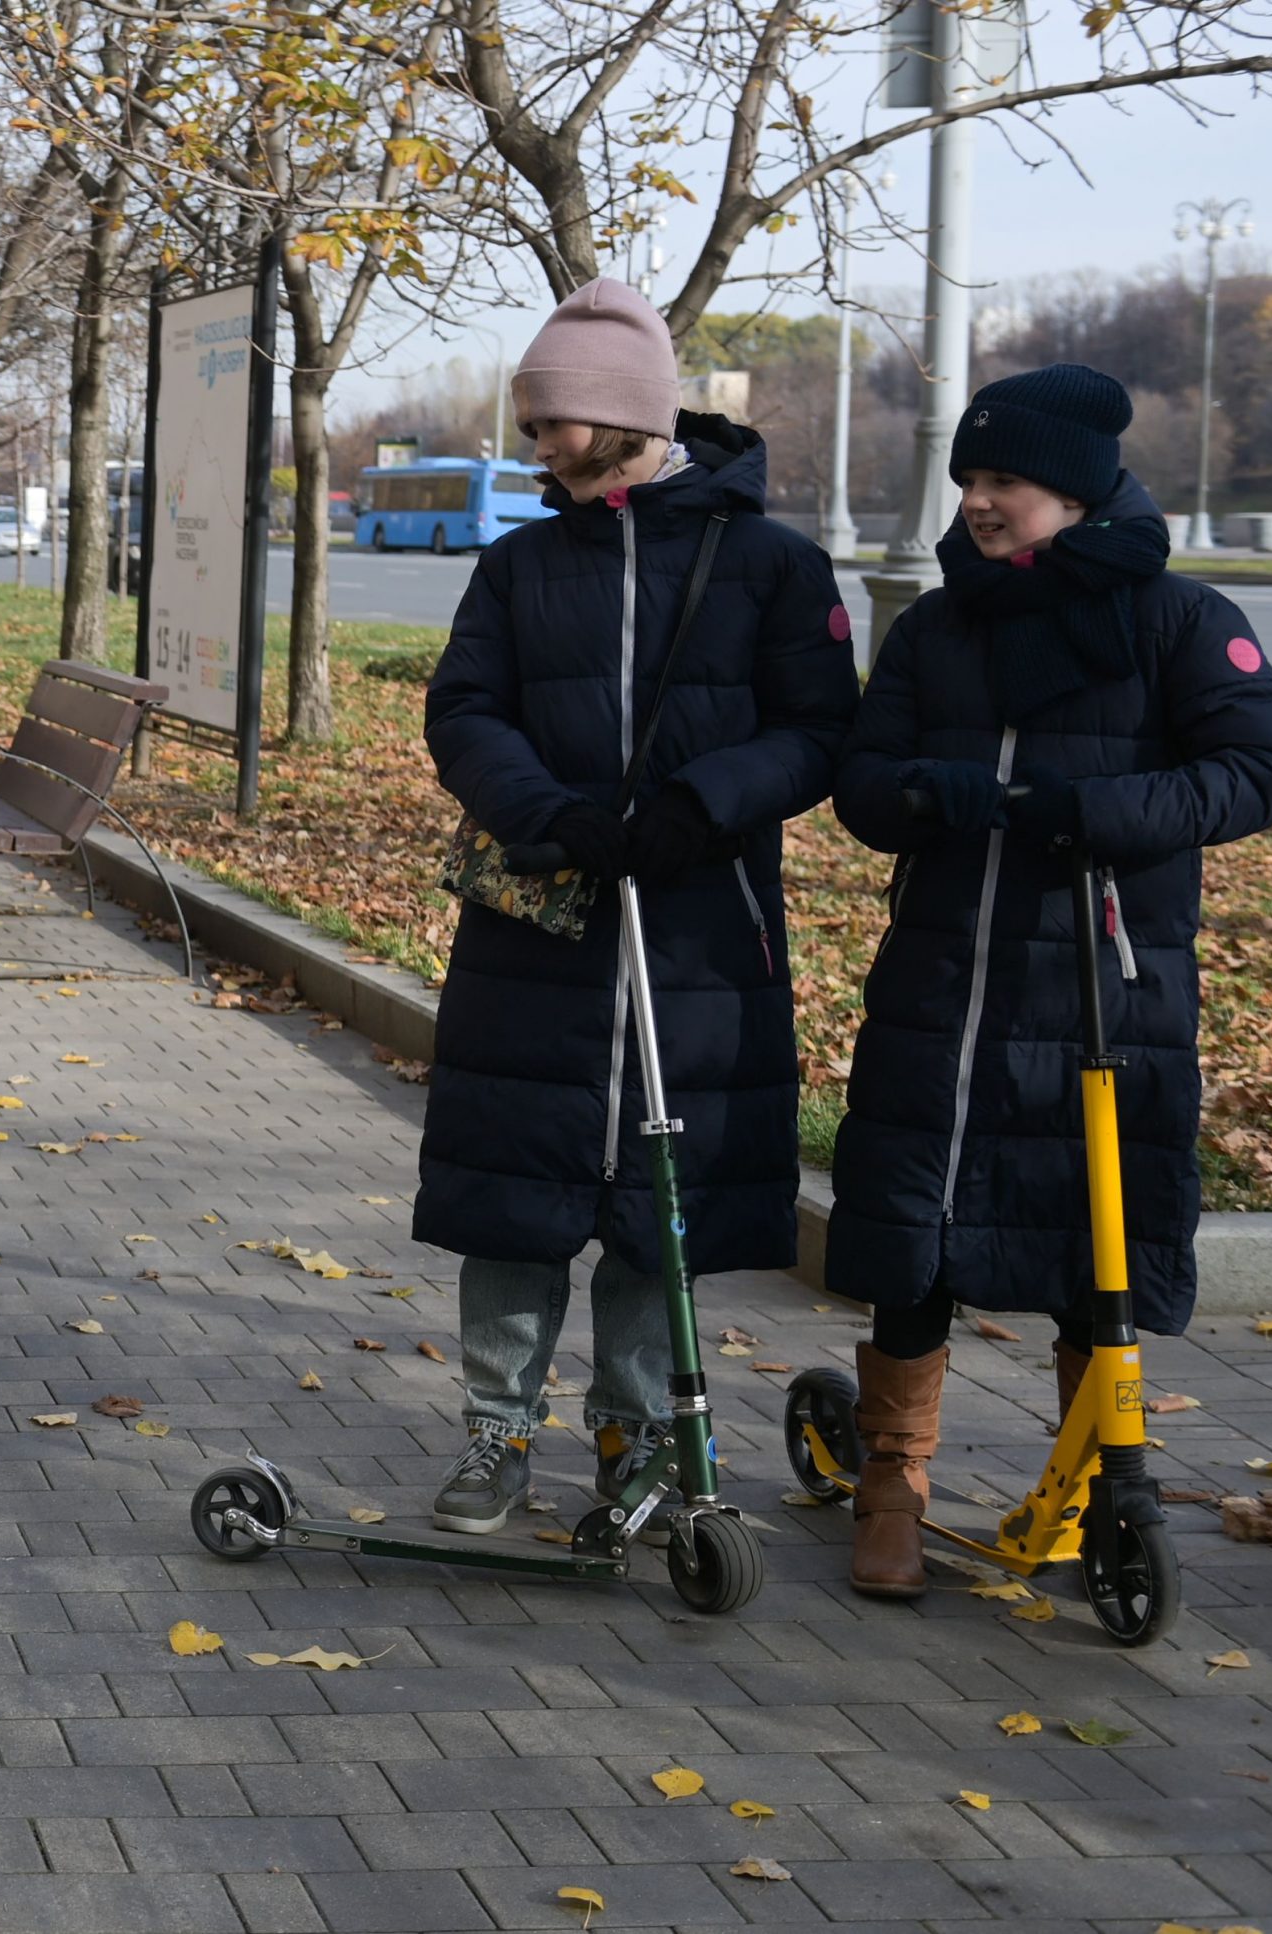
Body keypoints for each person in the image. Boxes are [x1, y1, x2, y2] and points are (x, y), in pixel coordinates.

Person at [828, 365, 1272, 1600]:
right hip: (945, 982)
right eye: (970, 481)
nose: (978, 503)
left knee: (1091, 1246)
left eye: (1006, 482)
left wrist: (1092, 810)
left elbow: (1259, 769)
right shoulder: (936, 626)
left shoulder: (1177, 620)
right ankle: (893, 1477)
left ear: (1080, 496)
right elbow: (864, 784)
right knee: (913, 1240)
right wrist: (927, 793)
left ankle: (1096, 1485)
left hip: (1104, 989)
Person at [417, 279, 860, 1540]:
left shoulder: (773, 566)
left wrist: (701, 803)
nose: (535, 446)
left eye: (551, 423)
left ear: (618, 418)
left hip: (698, 928)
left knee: (651, 1201)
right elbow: (462, 711)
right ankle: (497, 1432)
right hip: (539, 925)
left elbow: (819, 729)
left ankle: (630, 1436)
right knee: (513, 1193)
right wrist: (544, 809)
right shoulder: (517, 566)